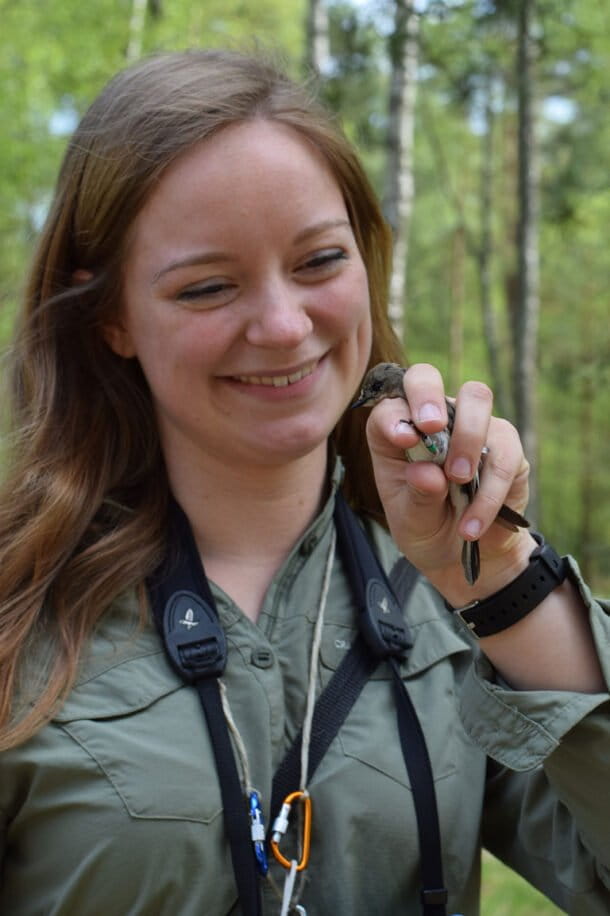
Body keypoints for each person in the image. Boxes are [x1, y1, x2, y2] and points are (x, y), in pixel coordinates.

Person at [0, 48, 608, 916]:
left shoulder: (453, 602)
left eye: (320, 261)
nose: (284, 327)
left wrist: (501, 570)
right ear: (111, 317)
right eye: (209, 287)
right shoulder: (19, 617)